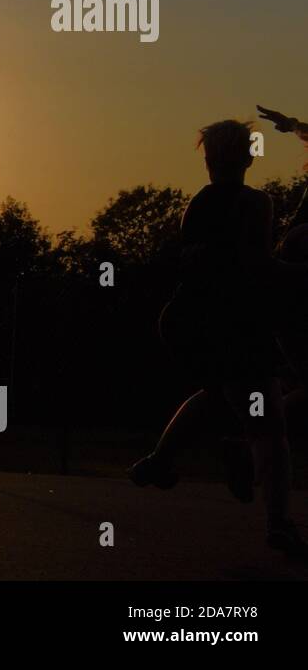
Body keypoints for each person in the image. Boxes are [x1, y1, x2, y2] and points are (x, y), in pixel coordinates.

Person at [129, 119, 304, 556]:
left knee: (218, 393)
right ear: (250, 156)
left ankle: (160, 459)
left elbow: (208, 264)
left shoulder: (198, 205)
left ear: (208, 161)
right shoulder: (256, 204)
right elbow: (257, 267)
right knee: (270, 429)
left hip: (191, 323)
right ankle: (278, 522)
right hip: (235, 326)